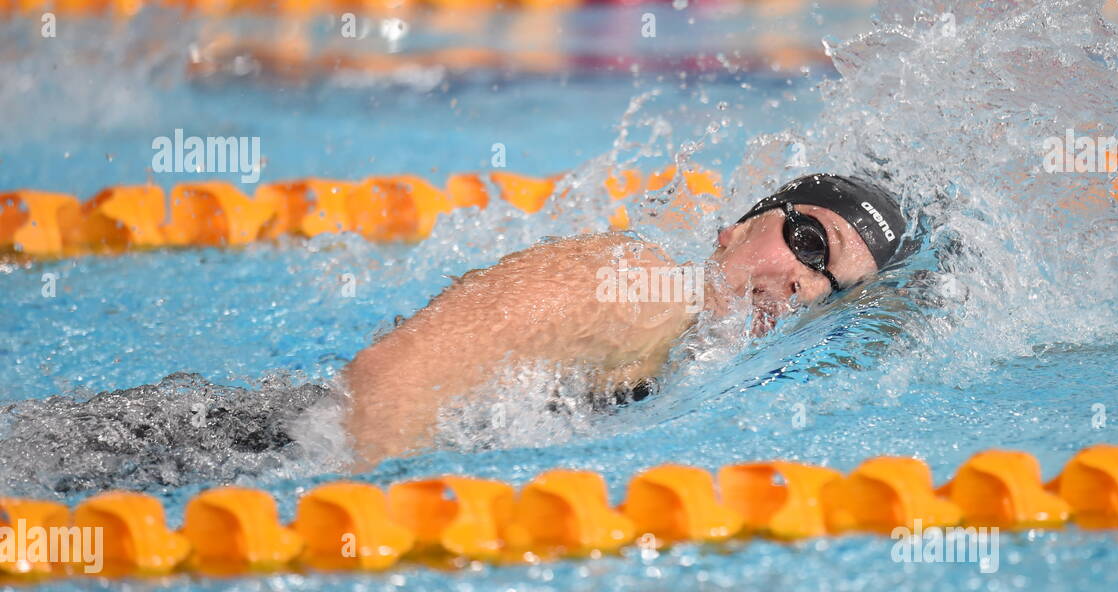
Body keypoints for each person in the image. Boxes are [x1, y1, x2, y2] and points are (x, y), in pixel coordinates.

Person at [344, 172, 907, 465]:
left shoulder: (690, 345)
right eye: (809, 243)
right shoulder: (647, 290)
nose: (804, 284)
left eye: (829, 287)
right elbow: (389, 376)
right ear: (739, 226)